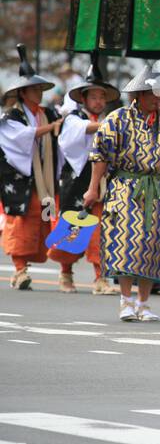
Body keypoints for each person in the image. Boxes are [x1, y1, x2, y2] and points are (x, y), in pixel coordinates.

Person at [84, 65, 160, 322]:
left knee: (152, 244)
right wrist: (93, 186)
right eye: (152, 93)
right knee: (127, 243)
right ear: (138, 95)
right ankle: (125, 300)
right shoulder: (117, 118)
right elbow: (100, 155)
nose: (157, 98)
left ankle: (144, 302)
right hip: (124, 186)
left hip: (157, 187)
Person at [51, 55, 119, 295]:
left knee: (102, 230)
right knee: (73, 228)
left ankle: (101, 278)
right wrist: (110, 125)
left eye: (102, 97)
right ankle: (65, 272)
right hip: (77, 181)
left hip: (101, 182)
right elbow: (76, 135)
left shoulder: (105, 121)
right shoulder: (74, 119)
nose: (99, 101)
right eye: (94, 96)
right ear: (83, 98)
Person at [1, 45, 61, 290]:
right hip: (21, 178)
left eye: (40, 89)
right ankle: (19, 269)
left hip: (44, 179)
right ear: (23, 92)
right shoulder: (11, 117)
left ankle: (27, 265)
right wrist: (52, 127)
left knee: (42, 219)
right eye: (35, 89)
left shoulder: (48, 112)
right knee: (21, 221)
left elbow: (62, 136)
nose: (39, 93)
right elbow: (22, 137)